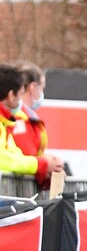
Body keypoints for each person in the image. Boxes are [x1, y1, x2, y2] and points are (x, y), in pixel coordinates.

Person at [0, 62, 58, 181]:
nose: (21, 101)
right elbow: (4, 159)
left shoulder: (6, 122)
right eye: (21, 94)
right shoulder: (15, 120)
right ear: (11, 95)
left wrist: (45, 166)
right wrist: (43, 164)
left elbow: (16, 155)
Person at [12, 61, 63, 189]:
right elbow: (26, 155)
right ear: (32, 88)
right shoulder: (18, 118)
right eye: (42, 88)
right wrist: (47, 165)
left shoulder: (29, 118)